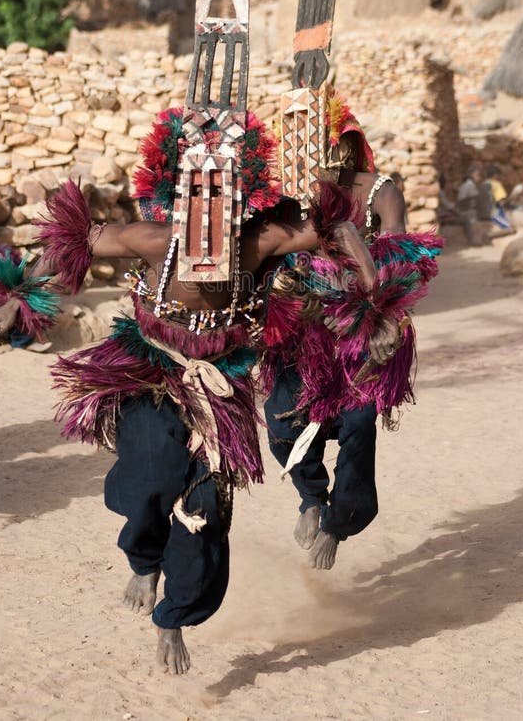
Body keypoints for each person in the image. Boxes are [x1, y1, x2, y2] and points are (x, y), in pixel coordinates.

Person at [32, 107, 386, 675]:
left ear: (241, 199)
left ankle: (173, 619)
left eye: (222, 197)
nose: (208, 213)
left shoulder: (260, 242)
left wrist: (375, 295)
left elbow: (340, 227)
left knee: (204, 512)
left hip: (221, 390)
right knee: (152, 474)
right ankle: (144, 559)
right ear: (177, 194)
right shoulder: (152, 240)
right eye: (196, 195)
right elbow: (70, 244)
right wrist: (17, 296)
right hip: (150, 373)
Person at [261, 96, 442, 571]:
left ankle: (339, 526)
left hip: (365, 329)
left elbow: (402, 255)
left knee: (358, 426)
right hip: (306, 332)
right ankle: (311, 498)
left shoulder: (381, 191)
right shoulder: (294, 193)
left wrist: (375, 308)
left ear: (346, 143)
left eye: (332, 145)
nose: (324, 156)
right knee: (280, 418)